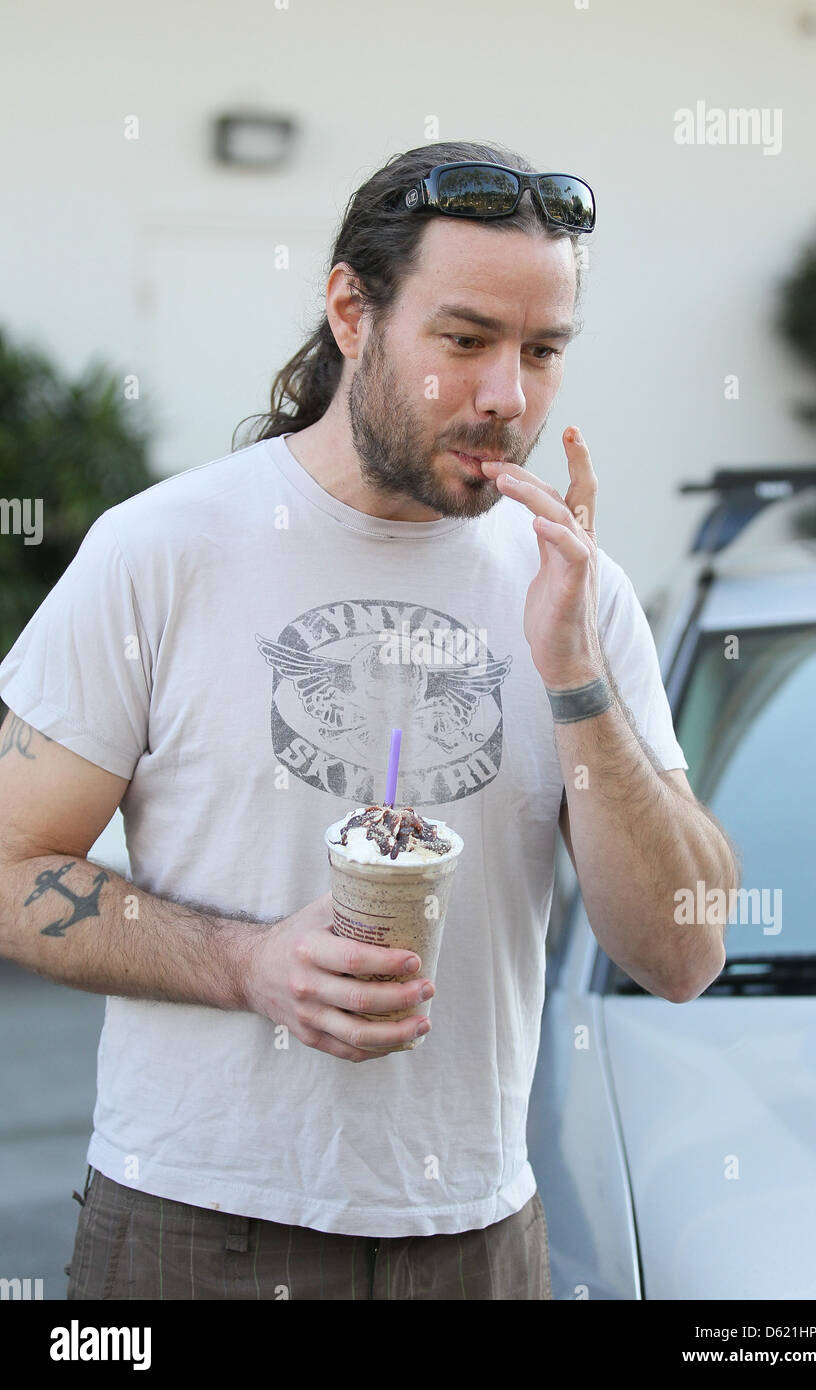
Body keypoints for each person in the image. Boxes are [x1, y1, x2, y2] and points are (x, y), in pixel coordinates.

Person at [0, 139, 738, 1301]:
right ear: (351, 309)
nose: (509, 394)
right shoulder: (163, 552)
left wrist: (575, 676)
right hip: (195, 1227)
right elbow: (9, 865)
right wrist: (245, 963)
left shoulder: (577, 590)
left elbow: (685, 952)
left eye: (543, 352)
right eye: (465, 340)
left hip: (477, 1235)